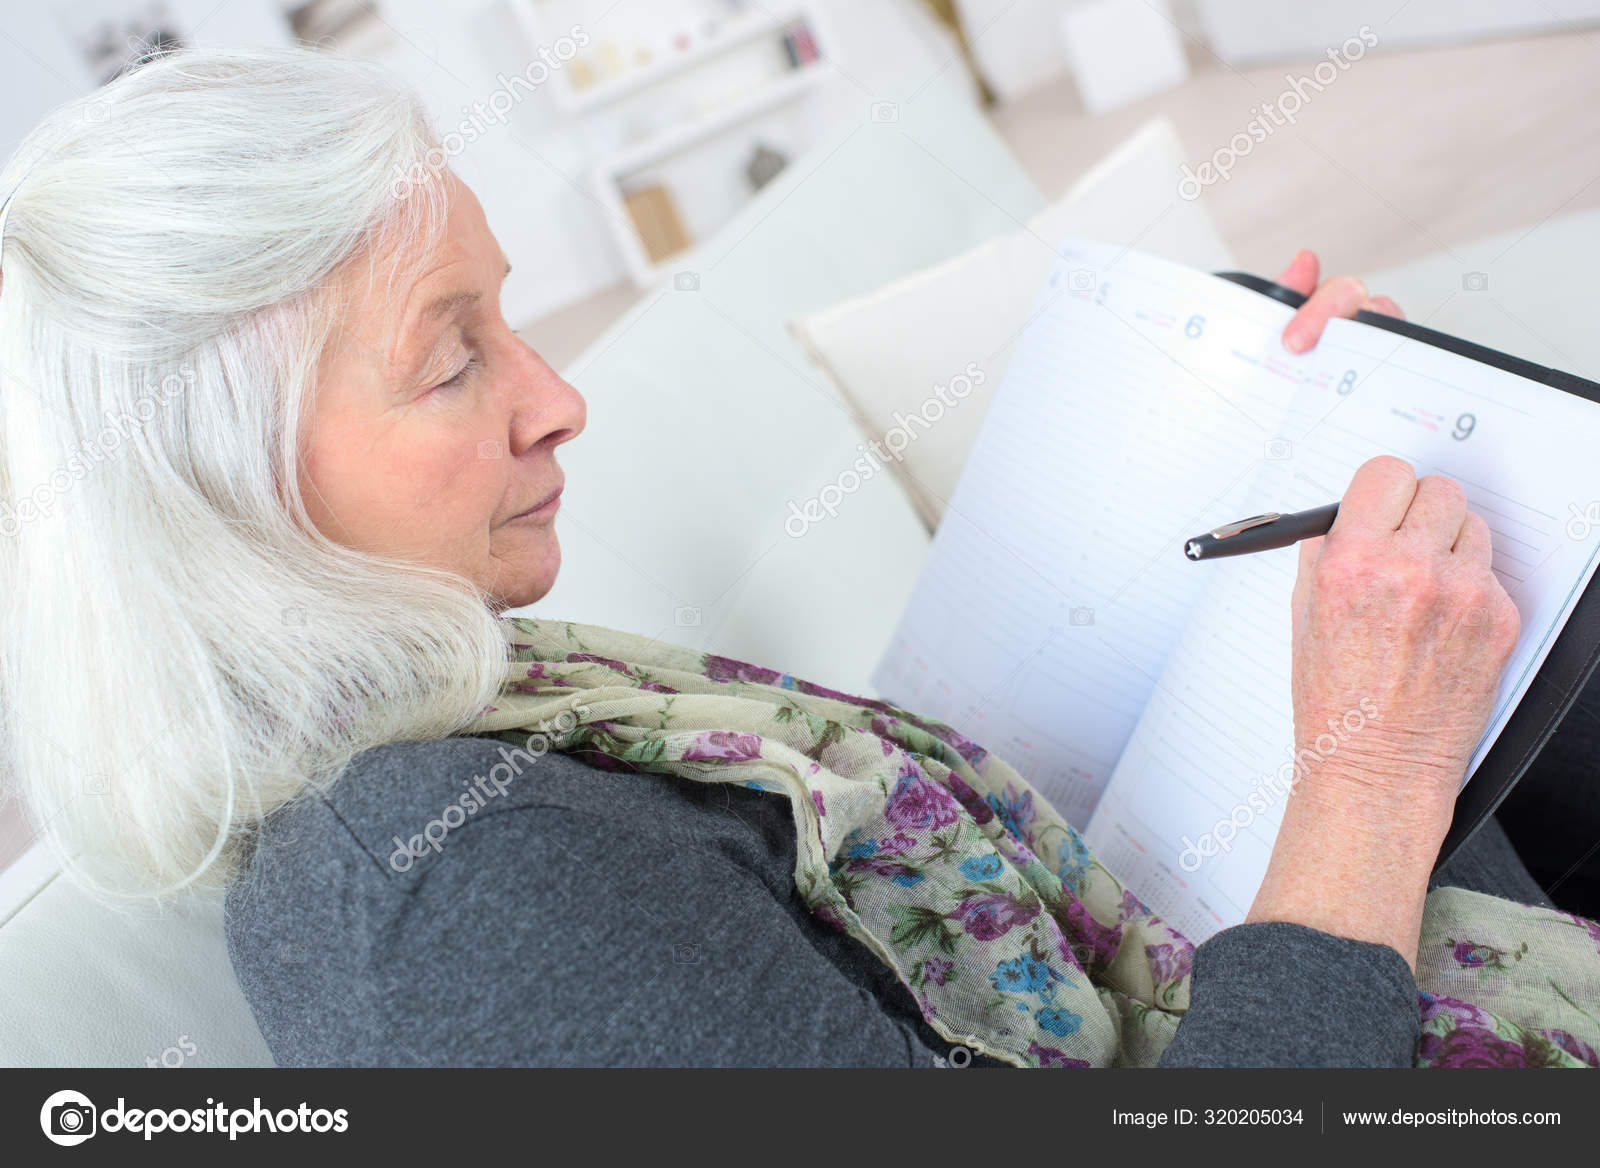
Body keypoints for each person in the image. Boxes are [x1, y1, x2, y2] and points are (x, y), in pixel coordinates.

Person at [0, 48, 1567, 1068]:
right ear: (230, 485)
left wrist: (1309, 438)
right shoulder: (443, 890)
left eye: (509, 318)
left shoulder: (465, 688)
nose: (561, 399)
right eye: (450, 360)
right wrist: (1367, 775)